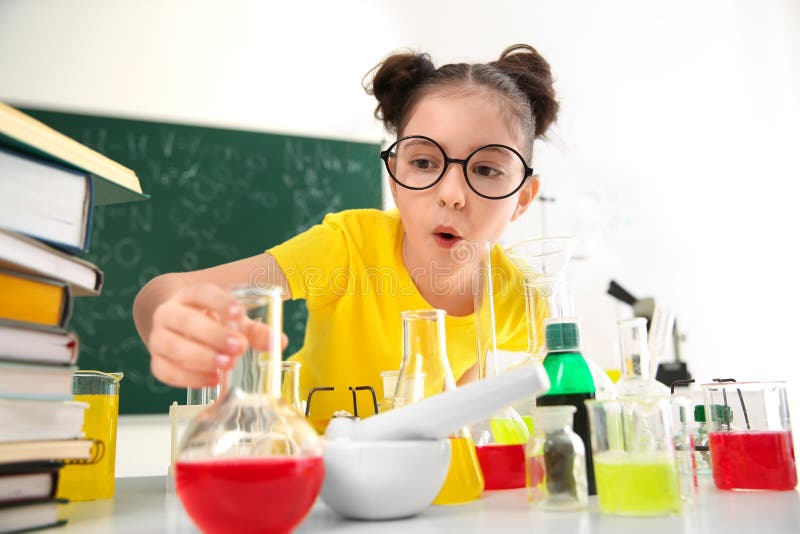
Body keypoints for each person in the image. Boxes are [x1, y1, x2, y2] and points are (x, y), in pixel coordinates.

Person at [132, 43, 559, 427]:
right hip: (301, 473)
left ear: (523, 198)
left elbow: (476, 420)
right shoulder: (347, 248)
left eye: (486, 170)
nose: (451, 195)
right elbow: (167, 291)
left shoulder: (522, 302)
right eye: (424, 163)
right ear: (393, 178)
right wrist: (168, 318)